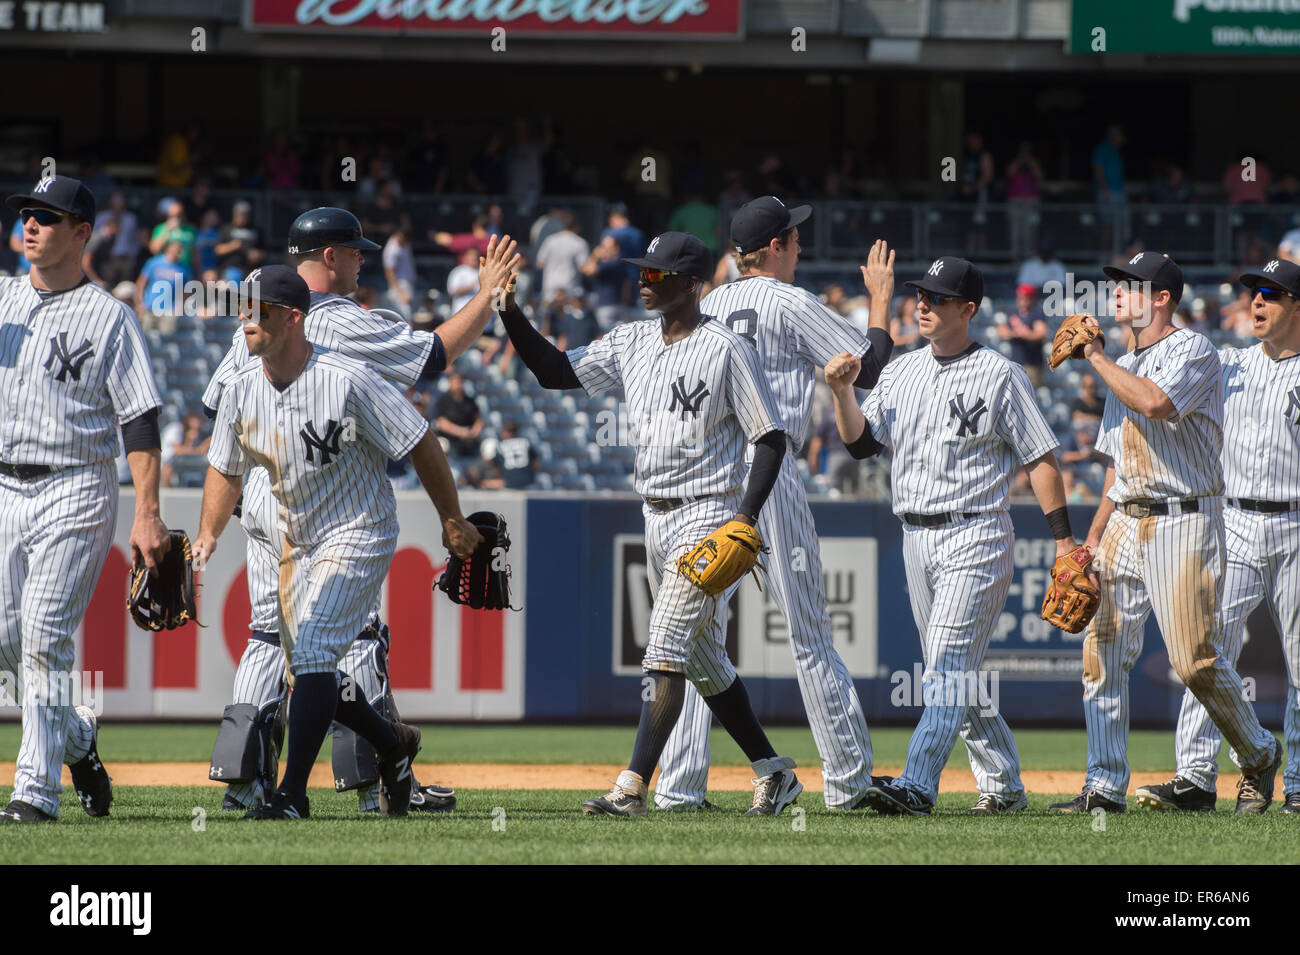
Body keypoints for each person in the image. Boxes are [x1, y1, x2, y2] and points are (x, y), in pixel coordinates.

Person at [203, 209, 519, 814]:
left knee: (274, 641)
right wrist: (485, 298)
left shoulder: (251, 322)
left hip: (266, 502)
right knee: (351, 639)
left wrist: (216, 527)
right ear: (329, 257)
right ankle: (377, 782)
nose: (361, 260)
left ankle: (247, 784)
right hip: (332, 504)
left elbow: (220, 405)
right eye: (354, 251)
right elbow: (432, 357)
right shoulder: (341, 323)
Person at [497, 230, 804, 816]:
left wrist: (743, 517)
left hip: (709, 515)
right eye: (643, 271)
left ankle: (632, 787)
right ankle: (774, 772)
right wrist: (509, 311)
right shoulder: (631, 341)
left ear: (692, 285)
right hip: (656, 518)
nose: (643, 280)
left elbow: (769, 439)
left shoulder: (726, 347)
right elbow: (556, 372)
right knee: (704, 660)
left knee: (663, 649)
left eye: (658, 274)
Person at [655, 197, 892, 812]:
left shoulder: (705, 304)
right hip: (771, 469)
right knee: (809, 633)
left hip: (706, 476)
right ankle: (846, 782)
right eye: (796, 235)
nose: (801, 246)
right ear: (780, 245)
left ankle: (679, 789)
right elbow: (867, 370)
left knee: (692, 637)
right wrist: (881, 301)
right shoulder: (790, 301)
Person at [825, 255, 1084, 816]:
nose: (923, 304)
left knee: (944, 667)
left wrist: (1064, 542)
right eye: (920, 295)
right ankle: (1005, 785)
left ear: (967, 309)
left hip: (977, 534)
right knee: (954, 673)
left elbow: (1040, 459)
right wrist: (844, 393)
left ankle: (918, 784)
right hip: (916, 537)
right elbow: (862, 445)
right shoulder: (900, 370)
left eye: (937, 299)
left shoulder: (1000, 373)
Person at [1050, 250, 1283, 814]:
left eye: (1131, 285)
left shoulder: (1192, 350)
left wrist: (1097, 359)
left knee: (1193, 660)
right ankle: (1104, 787)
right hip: (1126, 519)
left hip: (1184, 519)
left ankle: (1257, 752)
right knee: (1101, 652)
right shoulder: (1123, 361)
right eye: (1117, 284)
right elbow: (1115, 465)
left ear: (1161, 298)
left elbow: (1154, 403)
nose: (1118, 293)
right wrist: (1091, 540)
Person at [0, 175, 171, 823]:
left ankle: (35, 793)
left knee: (44, 634)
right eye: (27, 214)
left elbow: (140, 419)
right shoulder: (3, 299)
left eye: (48, 215)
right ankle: (77, 740)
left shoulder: (109, 316)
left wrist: (148, 510)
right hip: (4, 486)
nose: (32, 224)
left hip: (76, 484)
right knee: (5, 641)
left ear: (81, 231)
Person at [1135, 258, 1300, 814]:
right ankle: (1196, 777)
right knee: (1206, 650)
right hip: (1233, 520)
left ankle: (1296, 783)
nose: (1257, 301)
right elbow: (1163, 389)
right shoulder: (1225, 364)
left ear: (1297, 306)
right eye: (1254, 291)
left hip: (1298, 521)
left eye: (1272, 294)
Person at [995, 283, 1049, 388]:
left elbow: (1041, 333)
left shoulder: (1036, 313)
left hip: (1032, 365)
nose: (1022, 300)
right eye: (1020, 297)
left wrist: (1026, 334)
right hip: (1015, 363)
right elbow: (1001, 330)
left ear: (1032, 298)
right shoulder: (1013, 312)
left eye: (1025, 298)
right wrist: (1013, 334)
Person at [435, 372, 484, 464]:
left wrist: (473, 433)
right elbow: (441, 423)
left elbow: (478, 420)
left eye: (459, 382)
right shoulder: (443, 401)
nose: (457, 385)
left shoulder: (470, 401)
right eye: (455, 382)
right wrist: (460, 432)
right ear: (450, 383)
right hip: (451, 439)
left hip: (469, 439)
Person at [161, 411, 210, 487]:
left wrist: (191, 440)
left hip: (180, 462)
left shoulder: (194, 433)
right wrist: (197, 450)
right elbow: (178, 450)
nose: (197, 424)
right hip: (164, 463)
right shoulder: (175, 428)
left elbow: (190, 450)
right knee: (168, 465)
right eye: (193, 421)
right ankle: (167, 490)